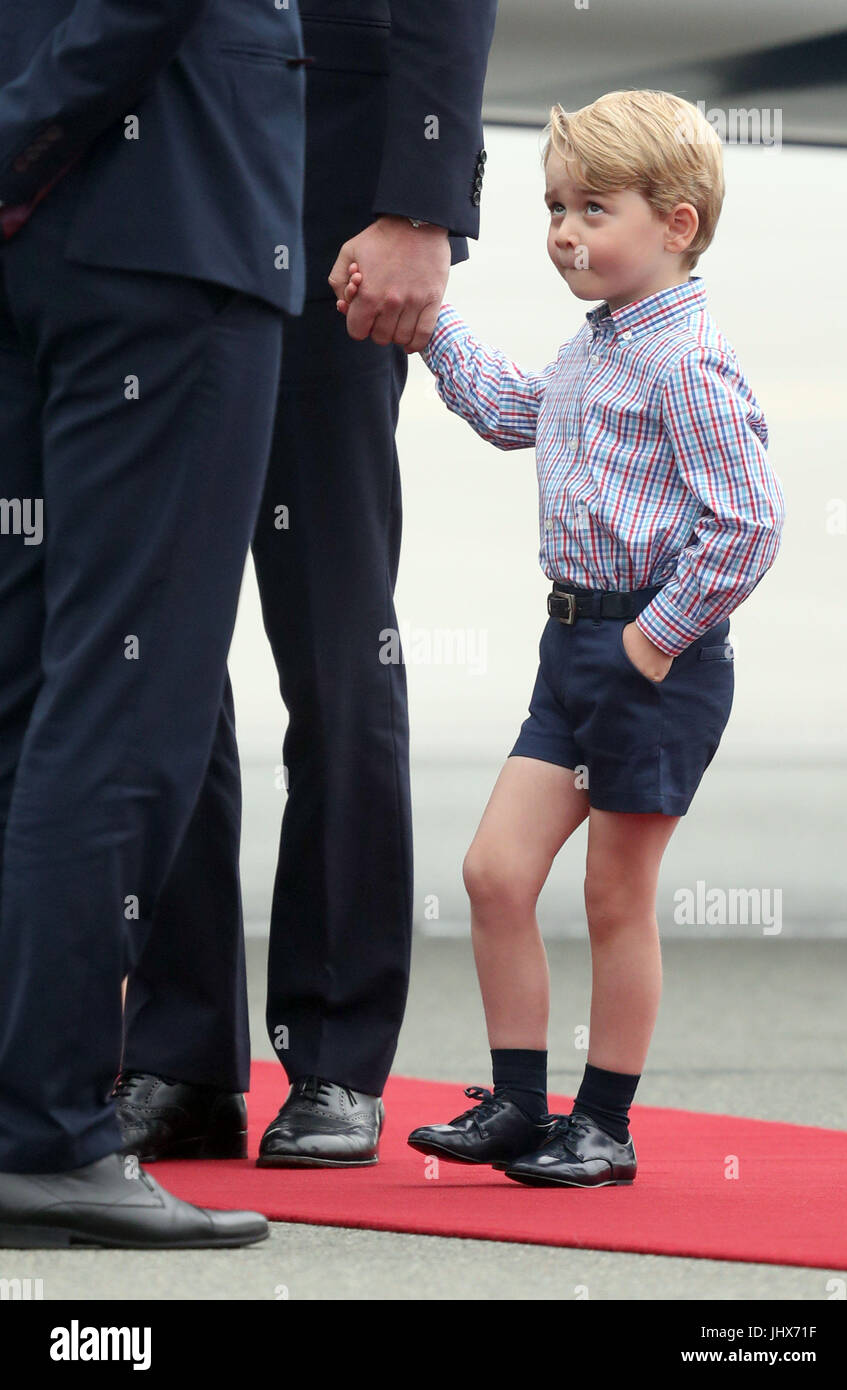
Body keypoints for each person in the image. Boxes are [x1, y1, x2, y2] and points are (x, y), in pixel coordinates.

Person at [342, 88, 785, 1187]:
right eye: (553, 207)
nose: (563, 232)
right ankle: (517, 1101)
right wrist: (434, 325)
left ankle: (603, 1125)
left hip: (651, 660)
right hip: (570, 654)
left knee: (611, 895)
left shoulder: (686, 361)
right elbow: (508, 412)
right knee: (495, 871)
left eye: (593, 207)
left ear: (674, 223)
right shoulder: (593, 350)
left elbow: (748, 523)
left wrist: (651, 642)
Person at [112, 0, 499, 1169]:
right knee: (160, 654)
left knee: (334, 647)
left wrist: (420, 204)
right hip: (161, 208)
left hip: (332, 208)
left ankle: (334, 1059)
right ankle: (180, 1056)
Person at [0, 0, 306, 1246]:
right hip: (160, 226)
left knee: (29, 689)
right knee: (127, 695)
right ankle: (43, 1133)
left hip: (45, 249)